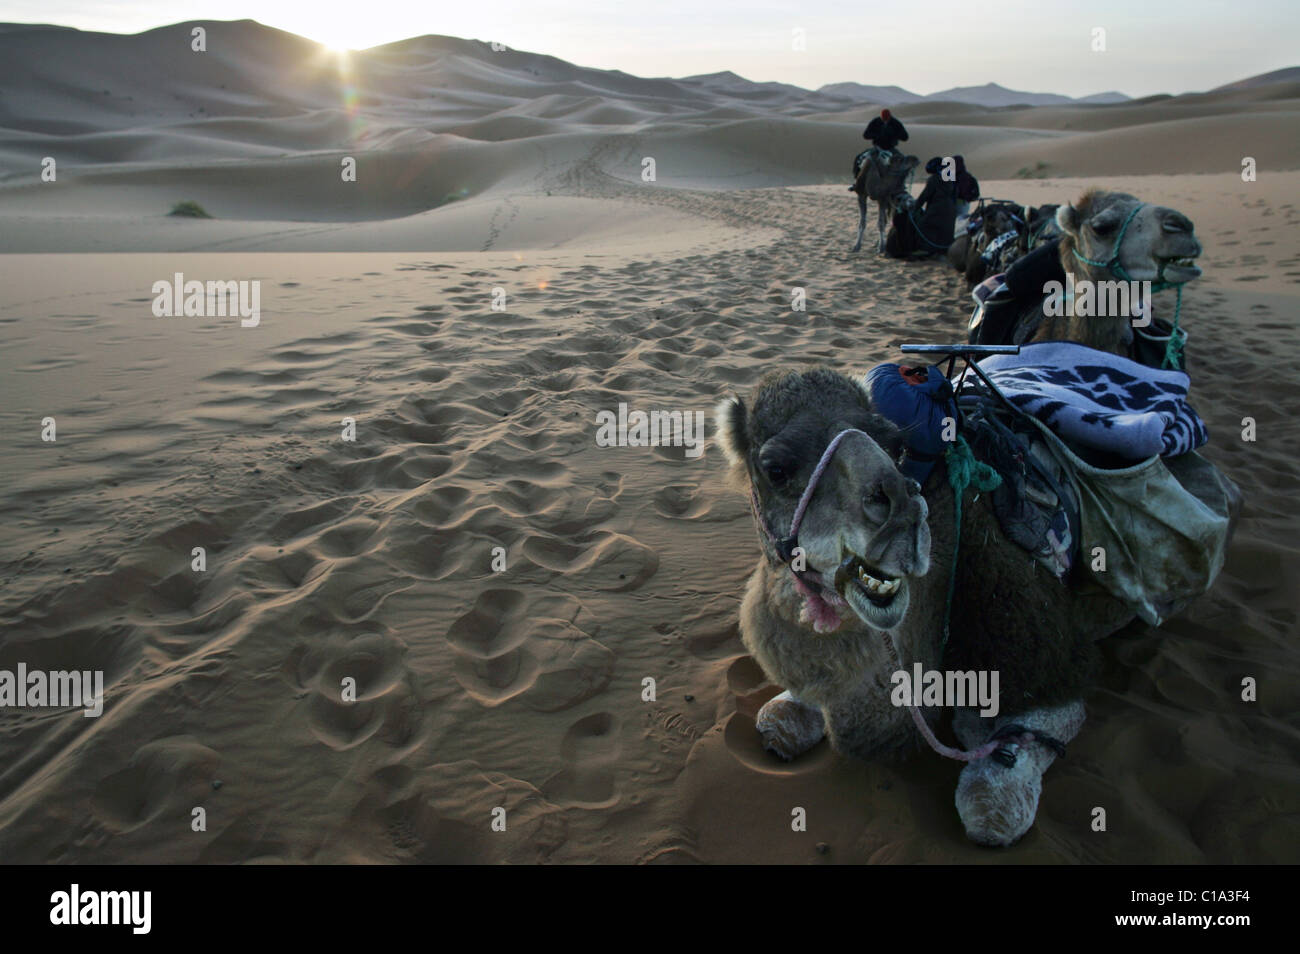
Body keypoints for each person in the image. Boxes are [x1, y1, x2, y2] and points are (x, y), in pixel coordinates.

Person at [850, 108, 909, 191]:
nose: (885, 120)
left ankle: (901, 185)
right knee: (859, 159)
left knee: (903, 162)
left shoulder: (895, 123)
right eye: (883, 118)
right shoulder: (876, 122)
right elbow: (866, 135)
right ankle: (857, 183)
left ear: (890, 117)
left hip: (891, 148)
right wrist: (877, 135)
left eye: (887, 119)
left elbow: (905, 137)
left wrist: (894, 135)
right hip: (878, 148)